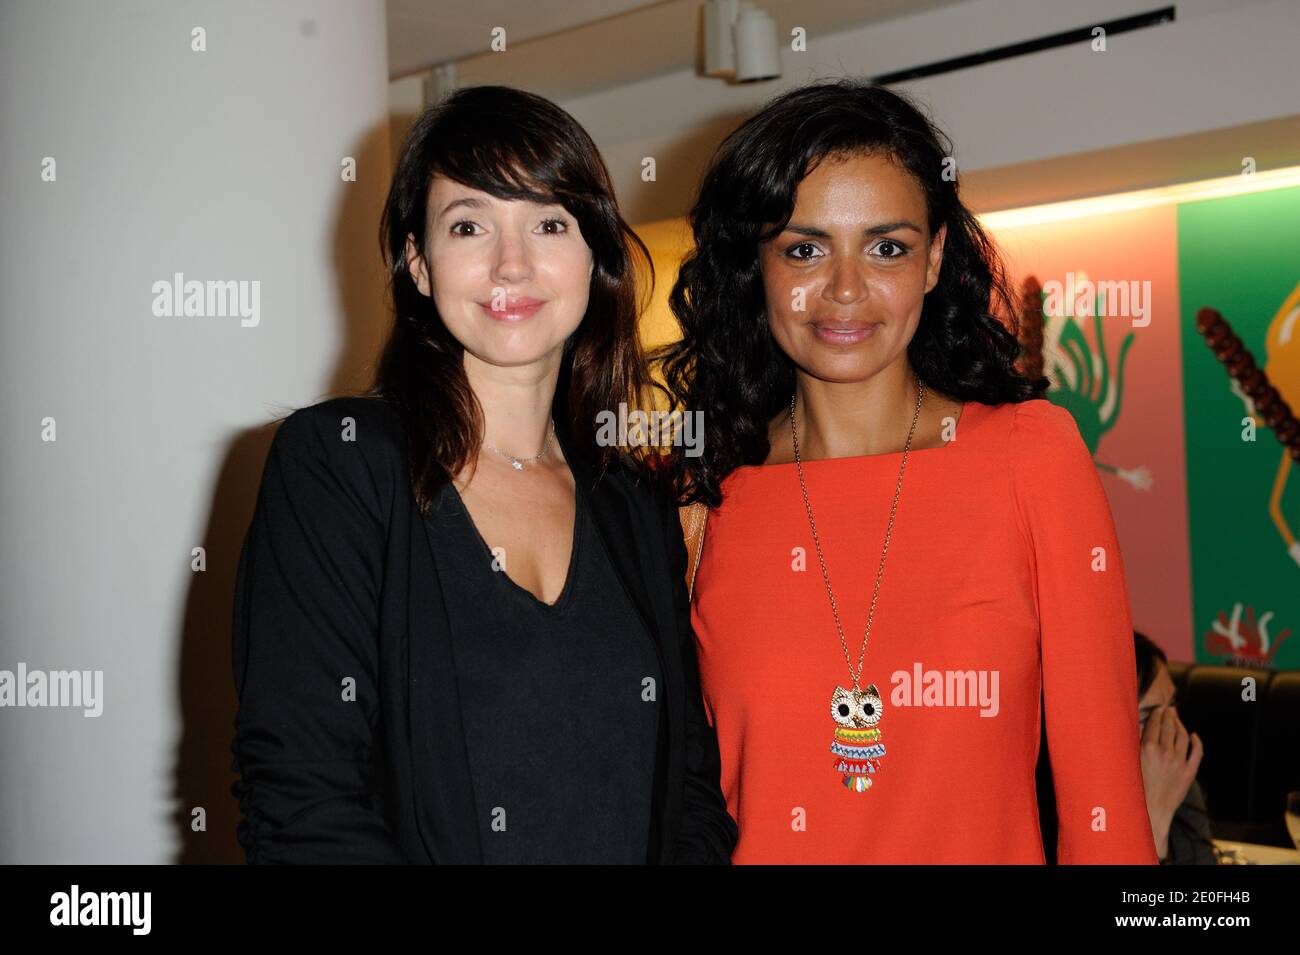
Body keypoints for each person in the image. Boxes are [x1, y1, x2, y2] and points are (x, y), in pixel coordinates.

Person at [230, 85, 737, 864]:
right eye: (468, 225)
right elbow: (301, 803)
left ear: (594, 256)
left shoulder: (634, 503)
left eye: (549, 223)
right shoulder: (340, 463)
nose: (512, 262)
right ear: (418, 264)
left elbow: (690, 793)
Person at [656, 78, 1157, 863]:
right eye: (804, 248)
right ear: (758, 269)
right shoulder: (704, 499)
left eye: (887, 246)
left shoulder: (1032, 458)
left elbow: (1107, 816)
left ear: (934, 261)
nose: (846, 289)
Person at [1134, 630, 1217, 864]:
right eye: (1148, 718)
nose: (1173, 731)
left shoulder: (1177, 778)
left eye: (1172, 706)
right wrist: (1152, 826)